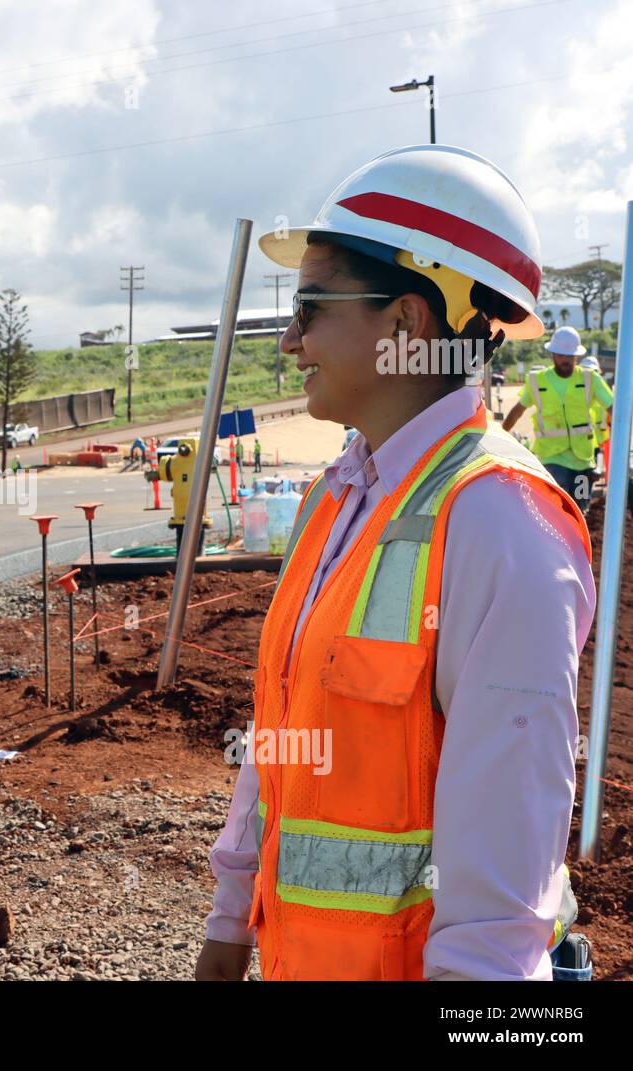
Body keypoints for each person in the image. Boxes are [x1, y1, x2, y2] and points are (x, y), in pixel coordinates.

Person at [195, 144, 595, 981]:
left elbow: (501, 894)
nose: (291, 340)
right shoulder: (338, 497)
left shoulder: (502, 524)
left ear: (408, 326)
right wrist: (231, 921)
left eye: (310, 307)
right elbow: (286, 735)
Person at [502, 327, 613, 514]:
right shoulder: (538, 381)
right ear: (553, 354)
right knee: (558, 509)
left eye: (569, 356)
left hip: (584, 461)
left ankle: (578, 542)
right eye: (561, 355)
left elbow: (614, 409)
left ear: (576, 356)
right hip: (552, 458)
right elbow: (518, 410)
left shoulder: (590, 379)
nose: (565, 360)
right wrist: (502, 435)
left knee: (581, 508)